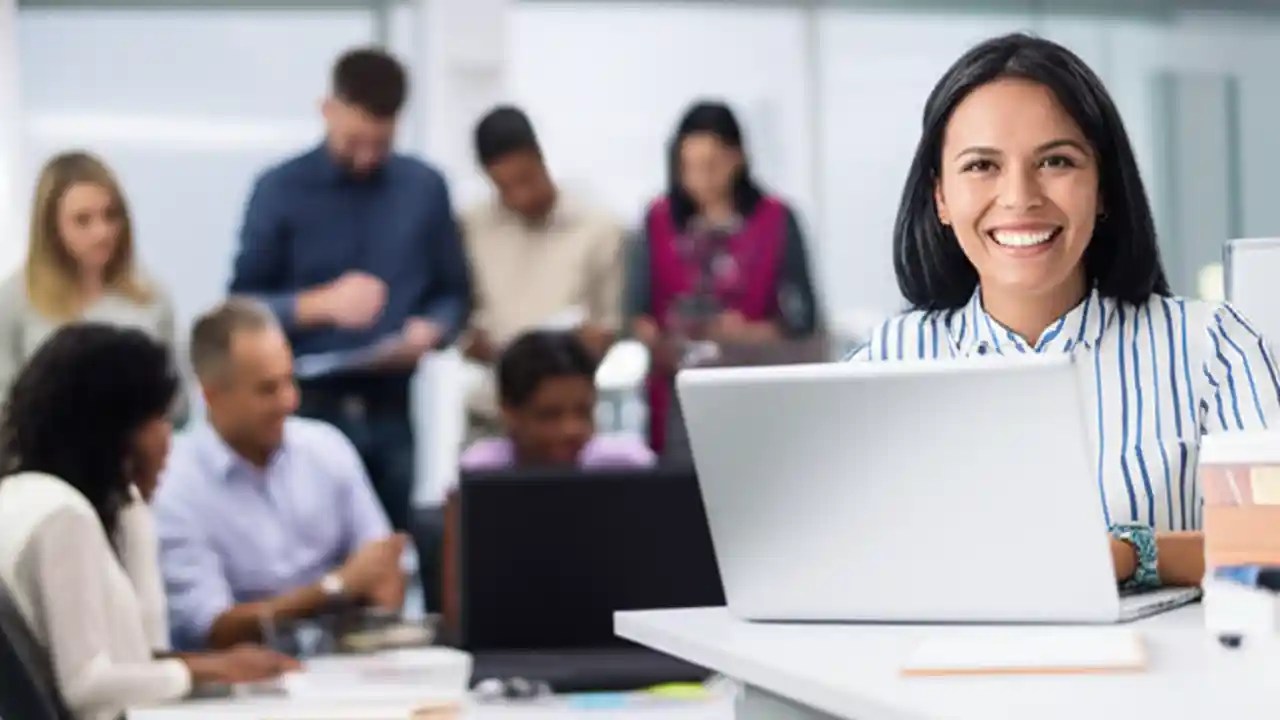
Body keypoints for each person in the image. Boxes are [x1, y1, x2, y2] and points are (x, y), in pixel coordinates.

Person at [851, 33, 1280, 590]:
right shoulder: (882, 363)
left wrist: (1130, 554)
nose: (1019, 196)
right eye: (982, 165)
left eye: (1056, 161)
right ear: (940, 199)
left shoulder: (1210, 348)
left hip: (1157, 673)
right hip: (921, 672)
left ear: (1102, 189)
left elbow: (1271, 542)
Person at [228, 47, 471, 532]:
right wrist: (319, 305)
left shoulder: (424, 188)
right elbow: (241, 306)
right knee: (306, 549)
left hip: (392, 409)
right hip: (305, 409)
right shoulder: (279, 189)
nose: (366, 158)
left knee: (388, 548)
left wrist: (433, 329)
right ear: (328, 110)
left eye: (379, 144)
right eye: (354, 141)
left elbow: (455, 294)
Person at [0, 325, 296, 720]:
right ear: (117, 428)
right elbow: (86, 687)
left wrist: (132, 510)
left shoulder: (33, 496)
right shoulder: (63, 515)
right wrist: (205, 669)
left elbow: (134, 654)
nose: (168, 440)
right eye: (161, 420)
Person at [153, 300, 408, 651]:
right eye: (267, 389)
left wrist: (378, 596)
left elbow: (384, 565)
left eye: (290, 381)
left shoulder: (326, 448)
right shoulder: (174, 485)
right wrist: (335, 588)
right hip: (237, 689)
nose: (289, 401)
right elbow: (211, 628)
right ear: (213, 396)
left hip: (346, 662)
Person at [629, 100, 822, 457]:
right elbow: (637, 309)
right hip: (677, 397)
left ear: (738, 158)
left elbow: (803, 320)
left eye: (711, 166)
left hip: (755, 392)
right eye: (689, 168)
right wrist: (660, 340)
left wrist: (742, 332)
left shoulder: (776, 220)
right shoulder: (658, 220)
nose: (699, 180)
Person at [461, 106, 625, 441]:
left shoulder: (598, 227)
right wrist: (477, 344)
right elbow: (461, 324)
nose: (521, 196)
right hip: (492, 416)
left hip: (566, 426)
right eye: (504, 187)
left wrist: (584, 346)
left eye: (526, 179)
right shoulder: (471, 227)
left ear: (540, 157)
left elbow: (610, 326)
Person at [0, 152, 183, 416]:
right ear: (51, 228)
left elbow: (178, 405)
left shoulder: (150, 296)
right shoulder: (14, 299)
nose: (102, 233)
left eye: (111, 216)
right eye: (82, 220)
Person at [460, 330, 655, 470]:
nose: (571, 429)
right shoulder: (483, 470)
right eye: (549, 416)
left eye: (583, 412)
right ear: (509, 412)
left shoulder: (625, 467)